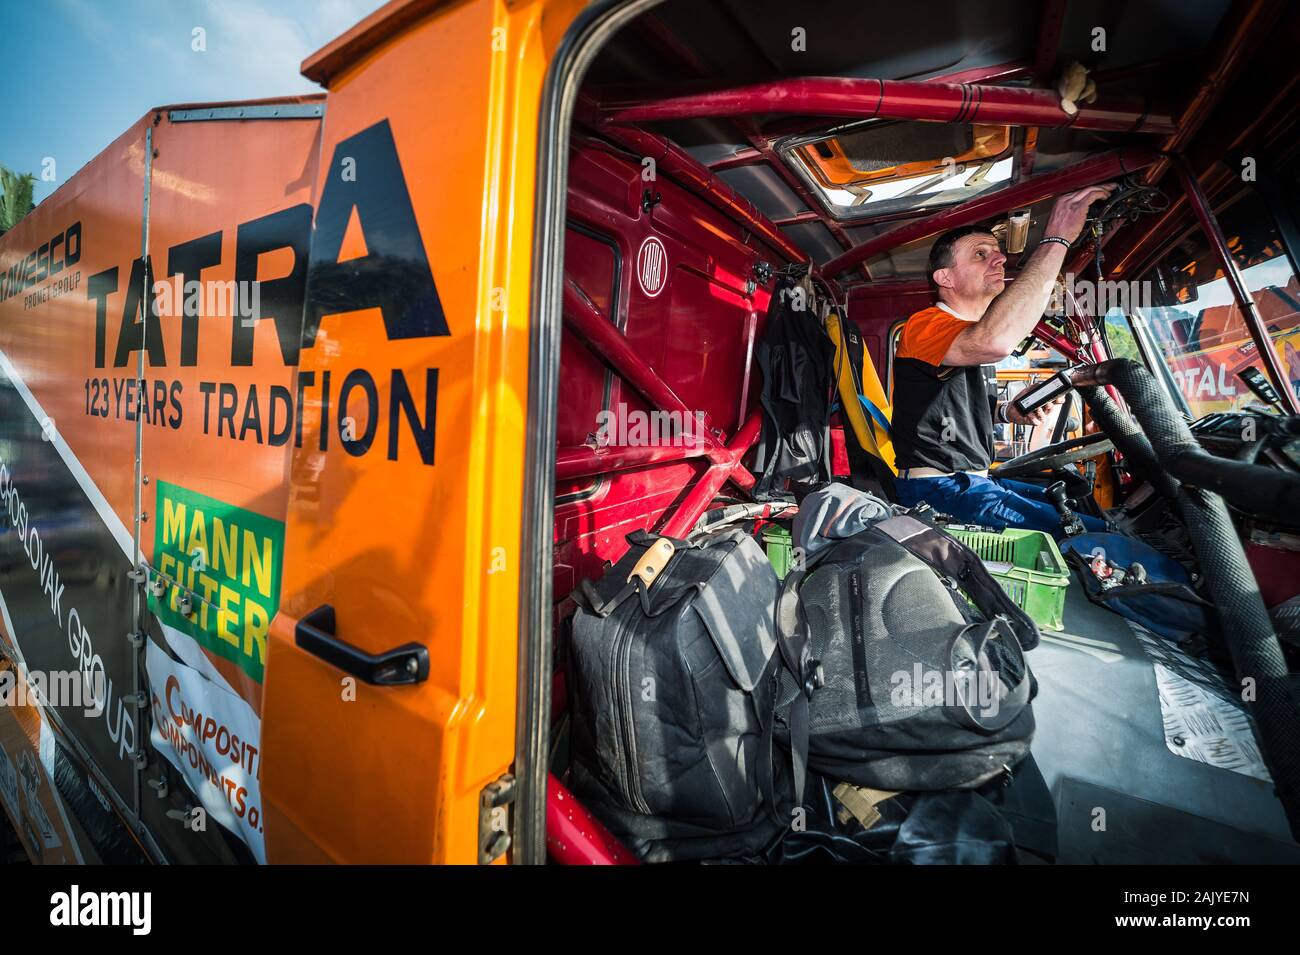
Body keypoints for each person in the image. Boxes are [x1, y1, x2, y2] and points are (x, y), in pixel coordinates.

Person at [890, 184, 1117, 537]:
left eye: (997, 253)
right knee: (1097, 539)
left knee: (1090, 513)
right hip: (939, 489)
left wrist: (1007, 411)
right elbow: (995, 341)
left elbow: (948, 405)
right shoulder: (925, 325)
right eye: (980, 254)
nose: (999, 259)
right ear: (944, 278)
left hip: (970, 481)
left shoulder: (964, 336)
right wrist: (1056, 238)